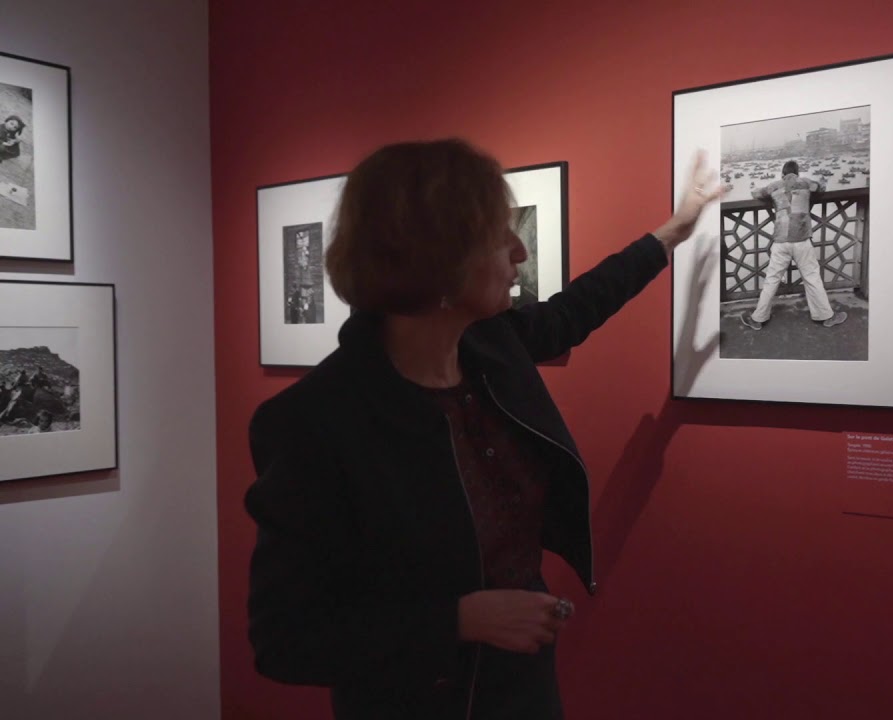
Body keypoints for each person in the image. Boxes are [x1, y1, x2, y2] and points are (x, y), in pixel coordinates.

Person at [243, 139, 723, 719]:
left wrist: (673, 230)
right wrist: (459, 620)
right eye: (501, 236)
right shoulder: (316, 422)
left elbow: (576, 309)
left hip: (523, 688)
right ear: (439, 259)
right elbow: (285, 640)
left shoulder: (492, 346)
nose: (520, 251)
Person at [740, 160, 847, 331]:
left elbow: (756, 194)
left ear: (782, 173)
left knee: (772, 280)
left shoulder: (774, 186)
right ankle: (826, 316)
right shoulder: (806, 184)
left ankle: (758, 318)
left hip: (781, 241)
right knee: (812, 278)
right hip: (802, 239)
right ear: (797, 172)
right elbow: (821, 187)